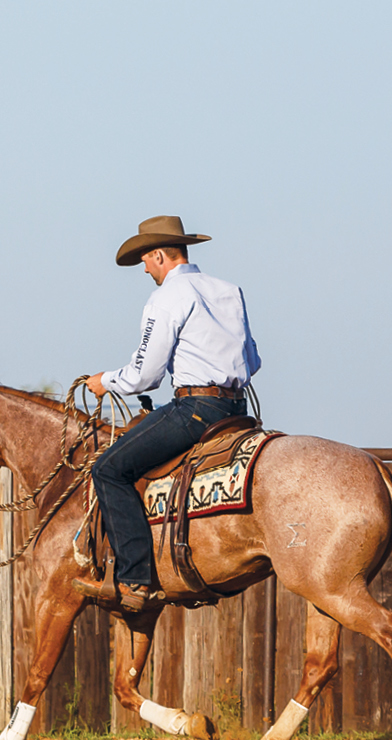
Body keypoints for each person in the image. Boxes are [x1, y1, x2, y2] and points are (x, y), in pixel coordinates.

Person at [76, 215, 261, 611]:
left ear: (160, 255)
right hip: (237, 409)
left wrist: (104, 381)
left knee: (108, 469)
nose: (144, 268)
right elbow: (253, 360)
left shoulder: (166, 297)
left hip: (196, 409)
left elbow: (145, 375)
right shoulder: (229, 290)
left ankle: (134, 580)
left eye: (145, 259)